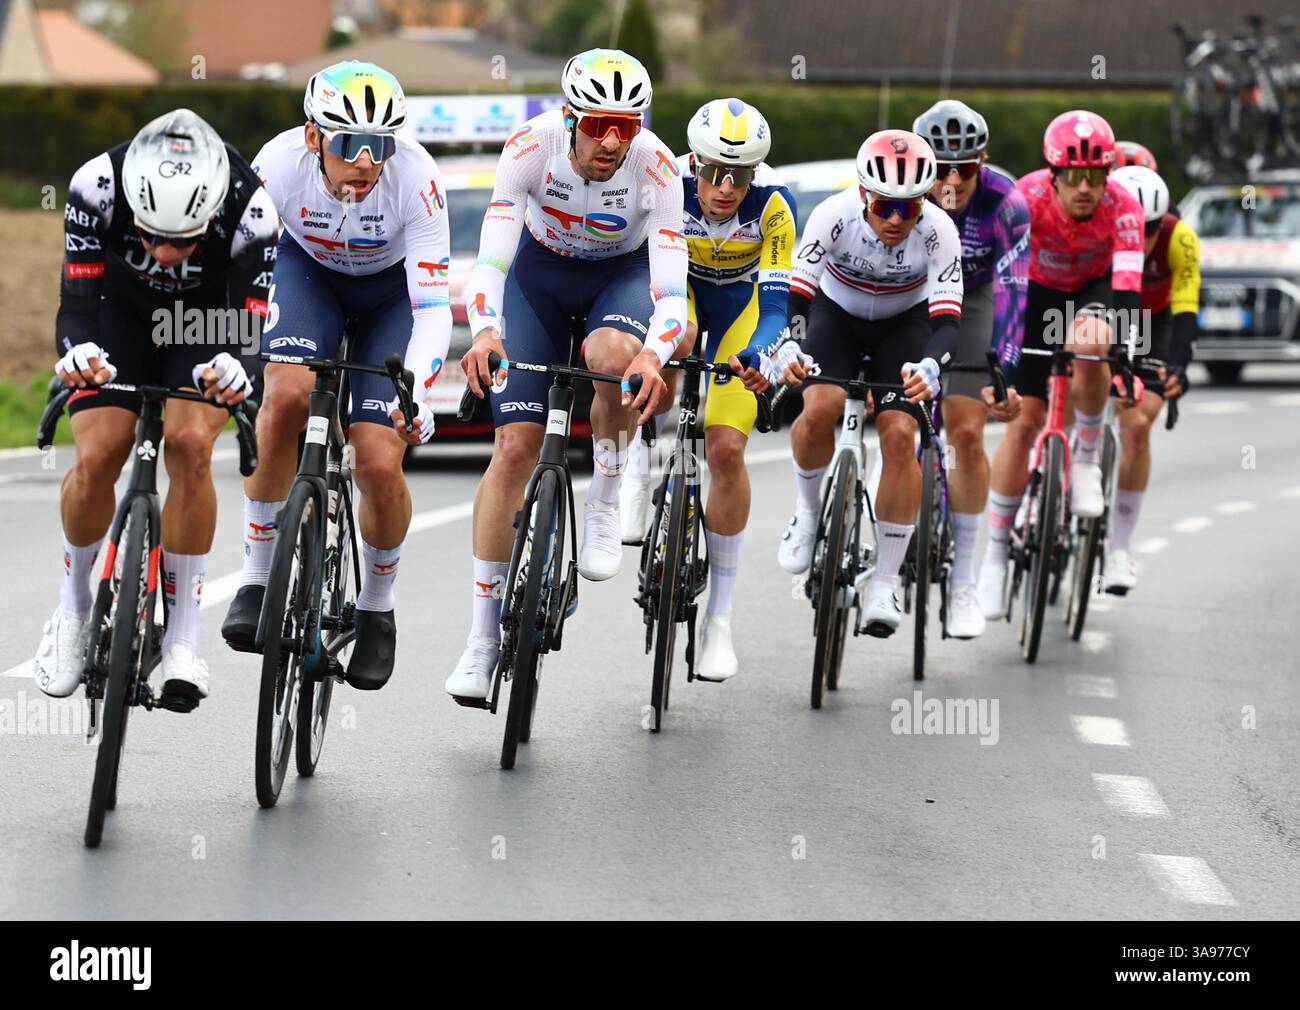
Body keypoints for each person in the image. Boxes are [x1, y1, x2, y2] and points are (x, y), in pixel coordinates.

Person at [443, 49, 688, 700]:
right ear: (570, 115)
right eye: (600, 124)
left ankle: (606, 493)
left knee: (610, 357)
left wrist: (651, 355)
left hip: (621, 278)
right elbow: (491, 266)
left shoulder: (658, 167)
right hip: (539, 279)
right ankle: (481, 637)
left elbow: (672, 292)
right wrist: (488, 328)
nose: (612, 141)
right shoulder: (530, 146)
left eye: (628, 126)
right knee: (513, 449)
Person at [35, 109, 278, 707]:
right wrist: (77, 353)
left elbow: (251, 336)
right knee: (97, 454)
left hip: (205, 321)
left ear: (213, 212)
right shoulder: (97, 185)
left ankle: (182, 642)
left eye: (184, 240)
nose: (167, 253)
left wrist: (237, 371)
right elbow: (75, 301)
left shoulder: (253, 211)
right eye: (151, 236)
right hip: (118, 315)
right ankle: (72, 609)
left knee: (192, 448)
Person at [221, 60, 450, 692]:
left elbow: (432, 307)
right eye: (350, 144)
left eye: (381, 146)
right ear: (313, 136)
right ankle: (258, 574)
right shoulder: (274, 167)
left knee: (378, 458)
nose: (367, 162)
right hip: (306, 273)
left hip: (389, 297)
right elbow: (239, 273)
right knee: (286, 398)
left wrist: (421, 391)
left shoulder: (417, 179)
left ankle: (377, 607)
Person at [616, 97, 798, 680]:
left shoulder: (774, 206)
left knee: (724, 450)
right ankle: (640, 460)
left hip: (743, 308)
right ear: (692, 161)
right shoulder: (669, 186)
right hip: (682, 293)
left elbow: (775, 307)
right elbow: (642, 271)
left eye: (739, 175)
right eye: (713, 171)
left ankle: (719, 618)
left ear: (755, 174)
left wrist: (754, 353)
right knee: (678, 337)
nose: (724, 186)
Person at [779, 129, 960, 637]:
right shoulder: (831, 216)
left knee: (901, 436)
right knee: (820, 406)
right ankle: (808, 511)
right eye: (886, 207)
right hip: (837, 314)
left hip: (905, 324)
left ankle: (885, 580)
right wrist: (790, 344)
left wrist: (930, 365)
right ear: (863, 194)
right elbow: (796, 297)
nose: (898, 220)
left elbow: (947, 321)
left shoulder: (939, 231)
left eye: (911, 207)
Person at [975, 110, 1146, 618]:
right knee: (1024, 423)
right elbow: (1004, 288)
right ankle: (995, 558)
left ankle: (1088, 456)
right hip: (1036, 293)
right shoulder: (1024, 200)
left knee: (1092, 339)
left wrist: (1121, 360)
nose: (1085, 188)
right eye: (1074, 177)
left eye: (1096, 176)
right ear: (1053, 175)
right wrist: (1000, 362)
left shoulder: (1125, 209)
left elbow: (1127, 291)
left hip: (1094, 293)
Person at [912, 99, 1028, 639]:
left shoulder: (1006, 201)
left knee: (965, 428)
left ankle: (963, 584)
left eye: (966, 168)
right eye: (941, 168)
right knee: (897, 415)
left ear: (984, 162)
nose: (953, 181)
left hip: (975, 295)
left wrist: (1001, 370)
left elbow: (1013, 289)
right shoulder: (901, 184)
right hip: (911, 293)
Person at [1105, 165, 1197, 593]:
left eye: (1152, 229)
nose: (1140, 242)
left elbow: (1185, 310)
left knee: (1138, 424)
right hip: (1096, 311)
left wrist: (1177, 365)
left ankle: (1120, 548)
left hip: (1150, 322)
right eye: (1133, 229)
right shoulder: (1091, 229)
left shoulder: (1181, 239)